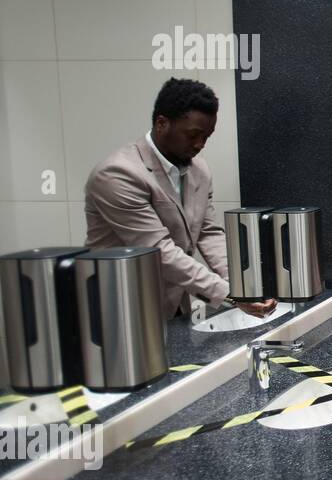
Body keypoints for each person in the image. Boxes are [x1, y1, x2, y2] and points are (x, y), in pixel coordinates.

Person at [83, 77, 276, 320]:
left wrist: (244, 288)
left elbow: (209, 233)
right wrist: (230, 294)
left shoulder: (199, 171)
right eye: (193, 134)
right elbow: (158, 251)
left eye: (207, 136)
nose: (199, 144)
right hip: (118, 313)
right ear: (162, 123)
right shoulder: (117, 174)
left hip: (171, 305)